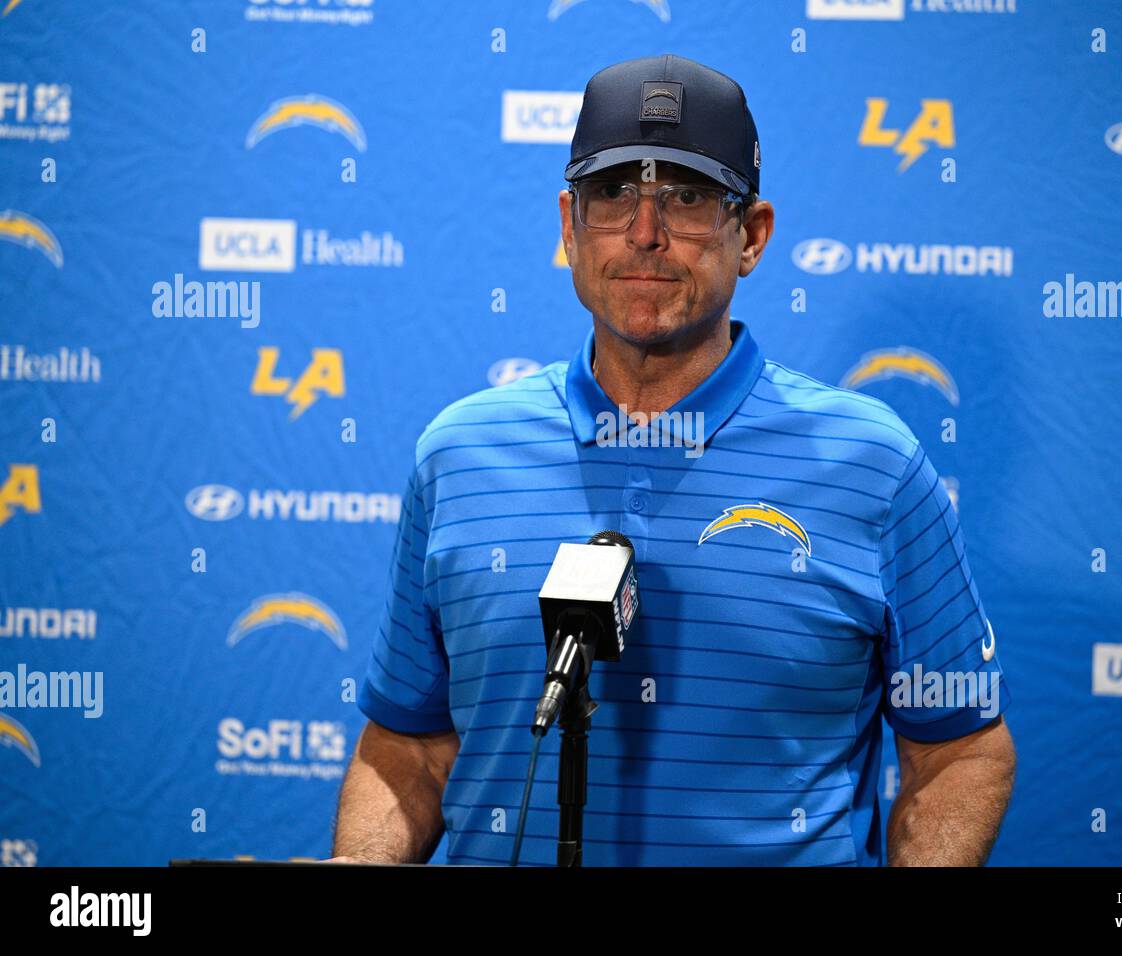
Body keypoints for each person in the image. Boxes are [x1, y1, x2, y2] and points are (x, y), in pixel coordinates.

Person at [331, 53, 1015, 867]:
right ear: (568, 226)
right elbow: (409, 746)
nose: (644, 234)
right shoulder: (459, 454)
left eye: (687, 199)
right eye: (612, 195)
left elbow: (958, 753)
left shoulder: (873, 465)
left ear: (752, 235)